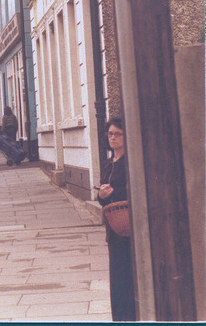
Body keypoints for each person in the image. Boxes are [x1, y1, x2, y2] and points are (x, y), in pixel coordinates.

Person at [97, 117, 136, 321]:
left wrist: (113, 192)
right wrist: (102, 195)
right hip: (113, 229)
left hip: (129, 227)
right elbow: (101, 198)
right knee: (117, 278)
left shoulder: (129, 162)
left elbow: (134, 190)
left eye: (118, 134)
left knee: (128, 277)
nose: (113, 137)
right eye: (110, 134)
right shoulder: (107, 163)